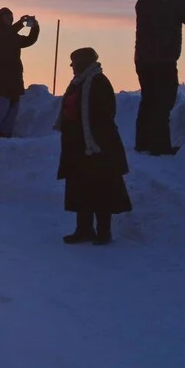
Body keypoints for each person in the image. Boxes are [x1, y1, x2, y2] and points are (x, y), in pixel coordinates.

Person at [57, 47, 131, 245]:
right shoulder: (77, 83)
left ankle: (103, 232)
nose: (72, 66)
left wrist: (93, 139)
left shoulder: (98, 82)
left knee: (101, 189)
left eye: (75, 61)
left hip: (98, 147)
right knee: (80, 189)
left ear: (84, 62)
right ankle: (83, 229)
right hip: (77, 146)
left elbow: (105, 114)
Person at [134, 0, 185, 155]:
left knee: (148, 100)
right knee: (164, 102)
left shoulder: (144, 0)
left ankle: (143, 142)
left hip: (142, 59)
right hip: (164, 60)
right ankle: (159, 145)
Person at [0, 9, 41, 138]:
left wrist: (34, 28)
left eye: (11, 17)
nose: (9, 19)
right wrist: (19, 24)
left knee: (12, 108)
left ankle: (5, 135)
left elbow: (28, 40)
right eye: (7, 17)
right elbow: (5, 37)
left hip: (13, 78)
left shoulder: (10, 35)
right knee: (0, 109)